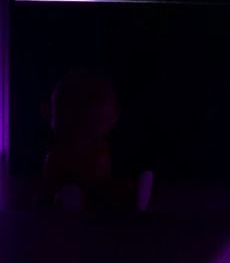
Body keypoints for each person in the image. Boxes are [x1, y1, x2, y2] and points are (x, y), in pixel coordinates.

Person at [40, 71, 150, 211]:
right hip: (74, 199)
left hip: (95, 196)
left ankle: (132, 197)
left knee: (116, 191)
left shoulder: (101, 147)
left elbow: (101, 177)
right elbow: (51, 184)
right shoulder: (58, 155)